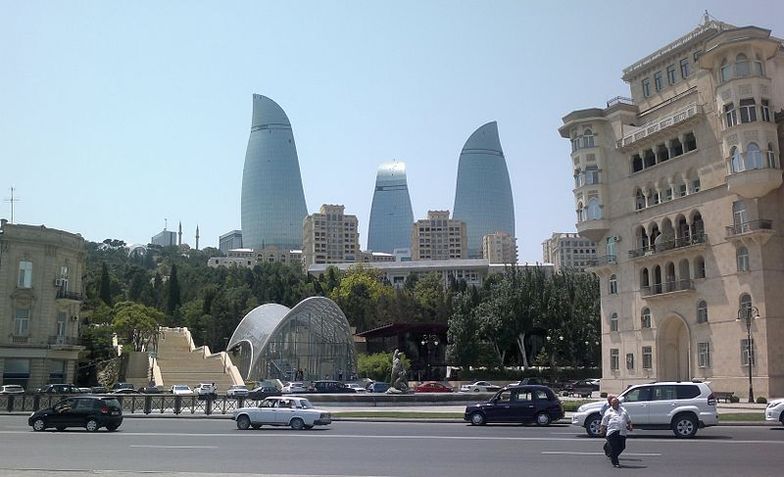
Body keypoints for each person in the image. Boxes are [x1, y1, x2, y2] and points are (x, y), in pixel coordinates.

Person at [600, 397, 633, 468]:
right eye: (613, 403)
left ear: (618, 403)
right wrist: (602, 430)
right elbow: (604, 422)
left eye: (616, 403)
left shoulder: (623, 410)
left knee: (622, 446)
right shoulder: (608, 411)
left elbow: (628, 419)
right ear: (611, 404)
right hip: (612, 432)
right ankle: (615, 462)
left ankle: (611, 452)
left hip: (622, 431)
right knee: (614, 447)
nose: (615, 404)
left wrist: (630, 426)